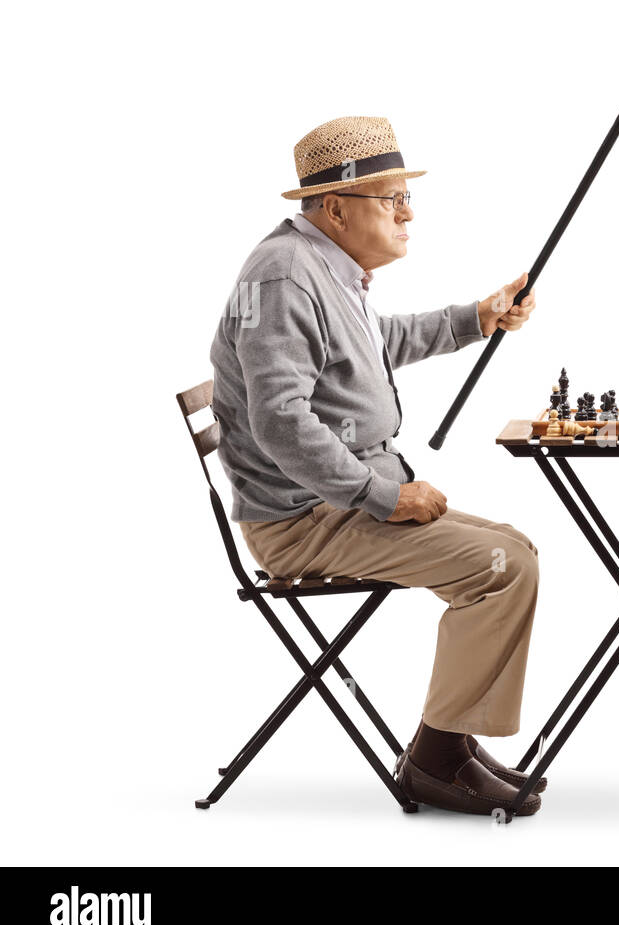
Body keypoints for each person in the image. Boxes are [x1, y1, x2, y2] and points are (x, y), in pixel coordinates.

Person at [209, 116, 545, 816]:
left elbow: (373, 341)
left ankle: (446, 740)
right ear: (336, 208)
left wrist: (476, 317)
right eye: (391, 199)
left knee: (515, 549)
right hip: (305, 520)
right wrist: (380, 497)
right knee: (502, 568)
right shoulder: (282, 277)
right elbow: (279, 420)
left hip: (335, 500)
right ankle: (435, 760)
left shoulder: (320, 267)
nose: (408, 212)